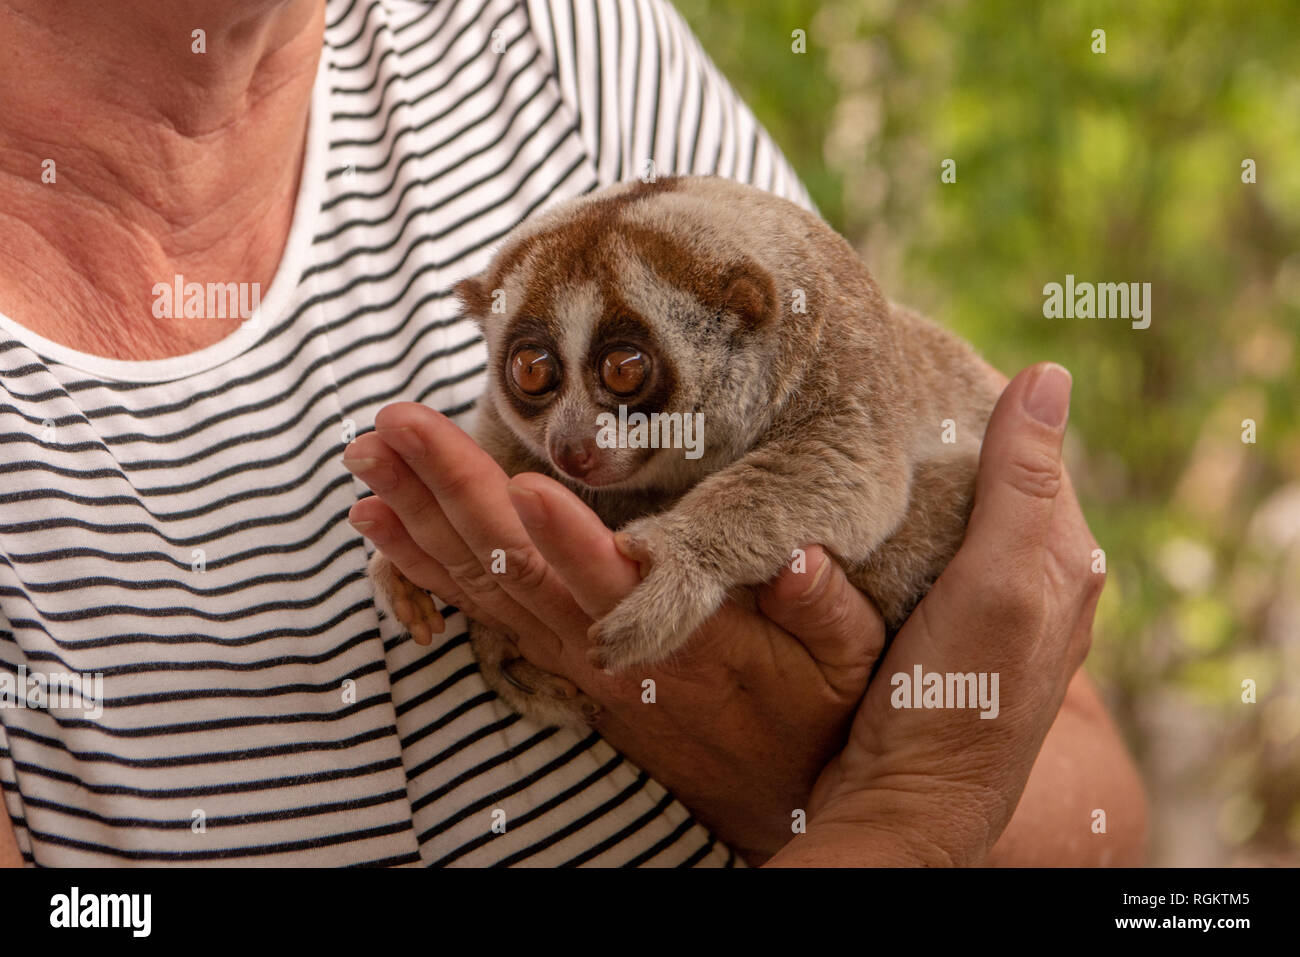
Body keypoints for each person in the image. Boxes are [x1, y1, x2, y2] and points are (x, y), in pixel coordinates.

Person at [0, 0, 1144, 866]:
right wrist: (895, 810)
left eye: (621, 374)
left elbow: (1095, 811)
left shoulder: (558, 40)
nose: (577, 443)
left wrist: (805, 759)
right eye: (537, 378)